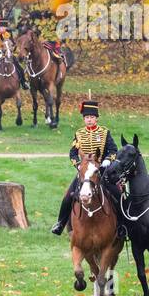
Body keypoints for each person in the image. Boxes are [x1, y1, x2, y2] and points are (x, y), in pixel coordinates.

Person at [51, 98, 118, 235]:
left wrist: (107, 160)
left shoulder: (104, 133)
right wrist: (78, 165)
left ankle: (124, 225)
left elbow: (113, 150)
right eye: (87, 117)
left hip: (101, 171)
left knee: (117, 194)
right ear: (84, 119)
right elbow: (73, 153)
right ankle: (60, 223)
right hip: (84, 172)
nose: (89, 120)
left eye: (92, 117)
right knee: (68, 196)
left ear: (96, 119)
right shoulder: (79, 134)